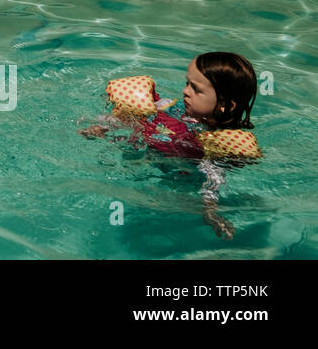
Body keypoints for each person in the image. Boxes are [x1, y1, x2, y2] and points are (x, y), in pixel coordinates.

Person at [81, 52, 259, 239]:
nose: (185, 91)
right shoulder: (173, 108)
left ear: (224, 104)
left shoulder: (219, 141)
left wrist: (210, 210)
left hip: (180, 174)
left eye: (196, 89)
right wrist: (103, 126)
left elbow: (213, 177)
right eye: (186, 83)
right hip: (150, 152)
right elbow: (135, 116)